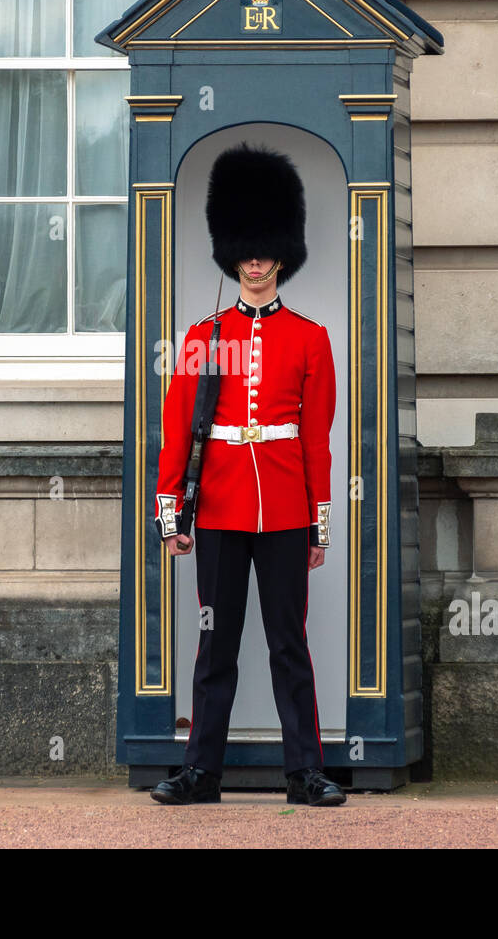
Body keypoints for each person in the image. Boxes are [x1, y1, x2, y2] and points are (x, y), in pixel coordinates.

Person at [150, 142, 345, 807]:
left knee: (290, 647)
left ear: (281, 252)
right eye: (246, 248)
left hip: (287, 508)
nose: (256, 259)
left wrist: (320, 519)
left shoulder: (311, 338)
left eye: (264, 248)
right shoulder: (204, 336)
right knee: (215, 649)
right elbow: (179, 431)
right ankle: (201, 772)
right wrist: (170, 512)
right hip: (220, 510)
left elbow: (316, 438)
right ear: (232, 252)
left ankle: (305, 772)